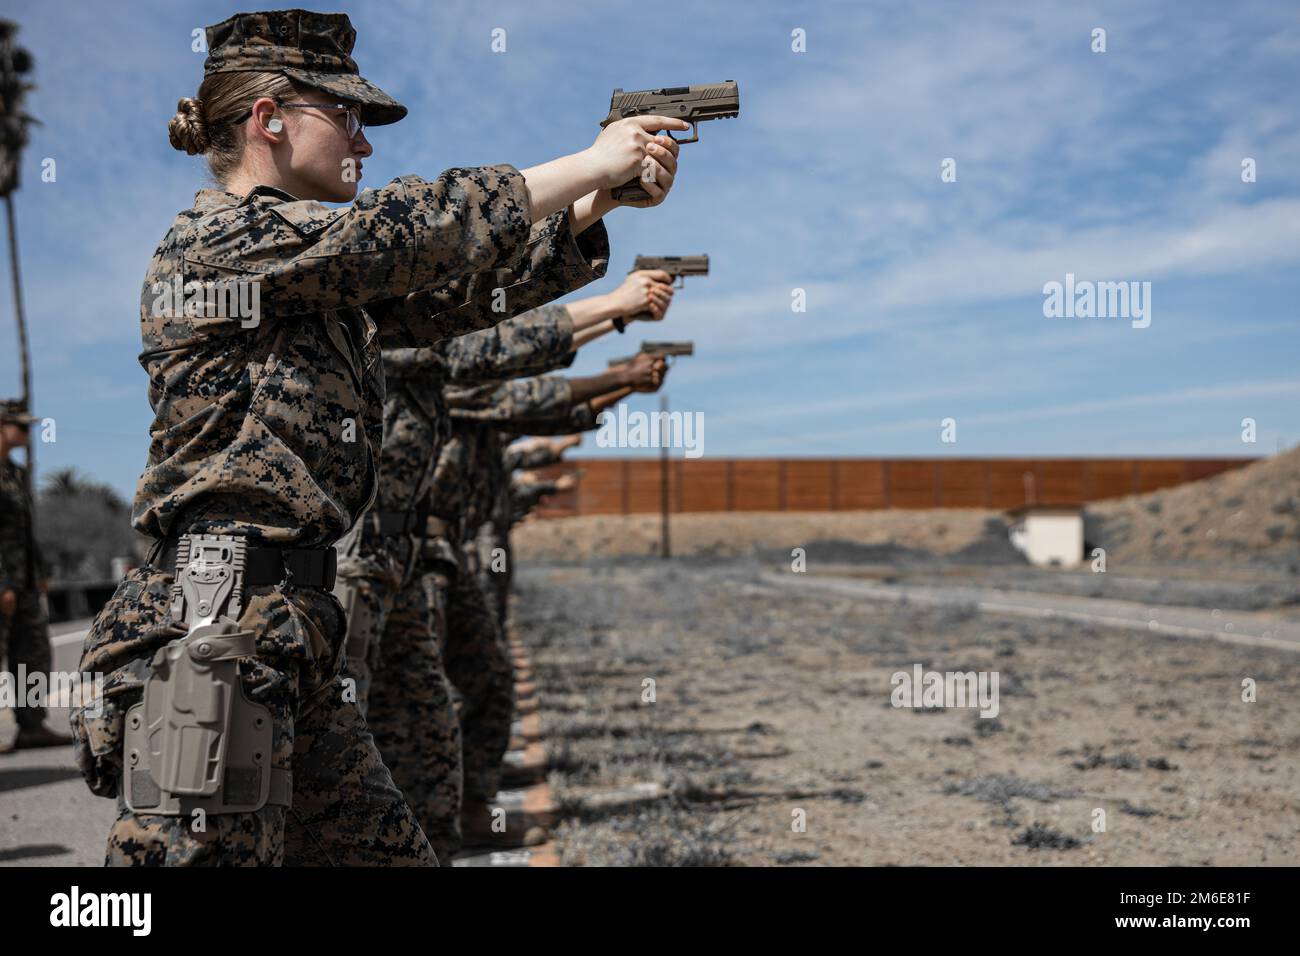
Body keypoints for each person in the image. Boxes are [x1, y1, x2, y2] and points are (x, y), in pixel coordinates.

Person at [70, 8, 686, 867]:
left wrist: (595, 204)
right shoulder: (217, 247)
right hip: (219, 631)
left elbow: (457, 299)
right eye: (347, 117)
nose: (364, 143)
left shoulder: (316, 277)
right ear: (269, 117)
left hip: (290, 628)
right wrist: (589, 161)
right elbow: (412, 227)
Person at [0, 399, 69, 752]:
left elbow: (26, 531)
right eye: (22, 427)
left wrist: (38, 573)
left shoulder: (16, 473)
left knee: (32, 653)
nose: (28, 434)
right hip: (4, 584)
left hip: (23, 583)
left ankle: (31, 725)